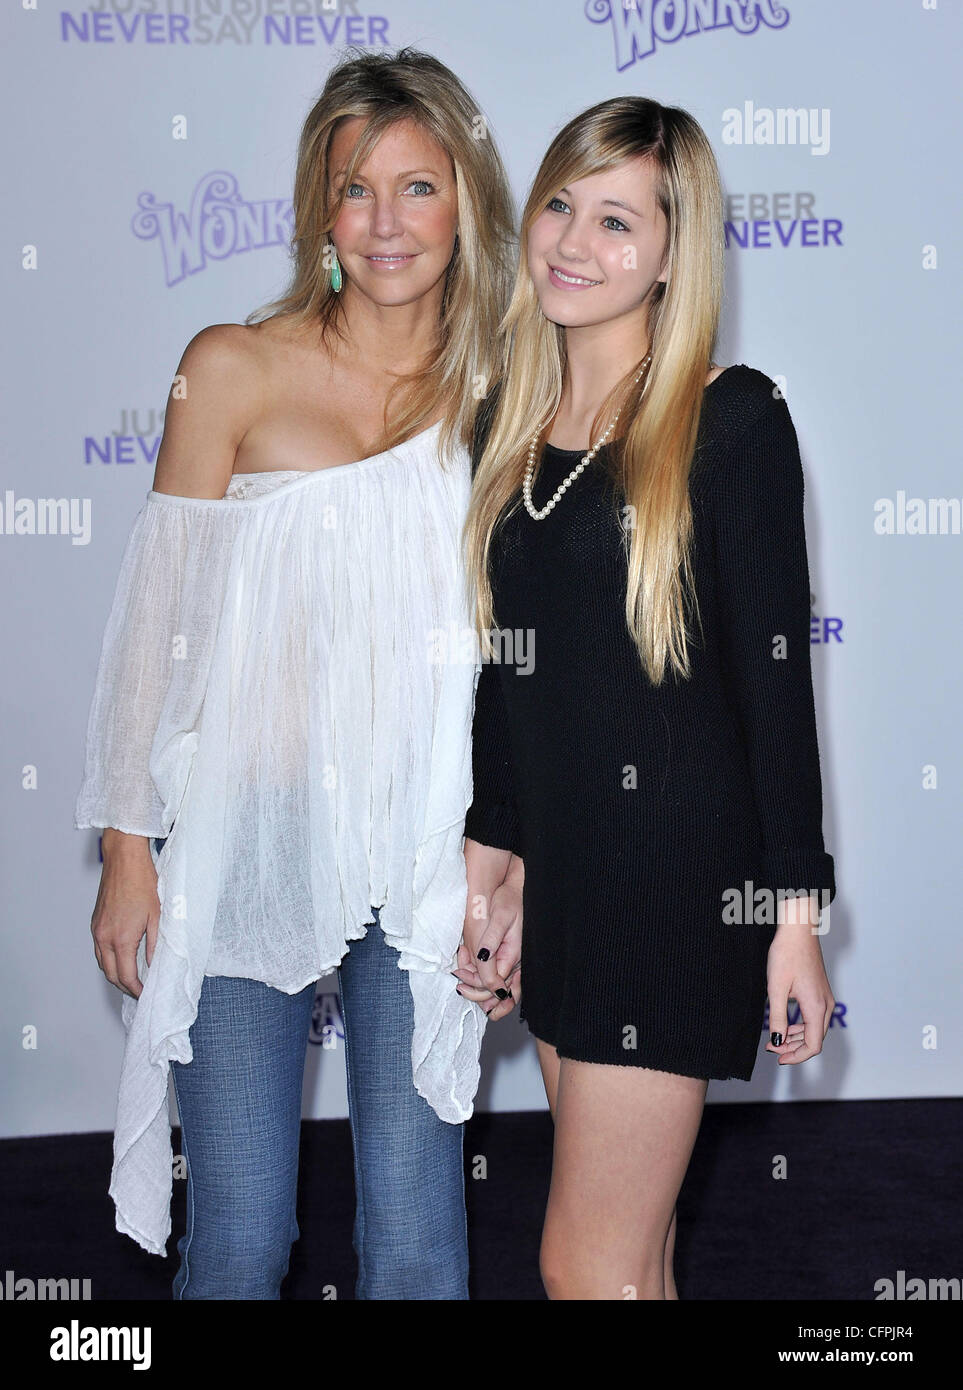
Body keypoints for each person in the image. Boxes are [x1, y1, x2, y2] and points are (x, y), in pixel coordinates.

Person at [74, 47, 516, 1300]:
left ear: (466, 202)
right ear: (320, 213)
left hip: (426, 845)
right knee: (243, 1234)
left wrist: (514, 862)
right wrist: (125, 847)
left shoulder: (505, 389)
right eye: (355, 189)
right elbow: (157, 626)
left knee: (421, 1242)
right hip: (247, 834)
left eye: (418, 188)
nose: (387, 224)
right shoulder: (232, 367)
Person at [458, 96, 837, 1300]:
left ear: (677, 253)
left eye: (619, 221)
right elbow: (511, 672)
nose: (575, 241)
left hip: (675, 887)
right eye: (561, 204)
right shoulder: (508, 430)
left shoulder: (731, 419)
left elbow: (778, 688)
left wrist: (794, 919)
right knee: (637, 1264)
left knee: (586, 1265)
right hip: (567, 882)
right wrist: (499, 859)